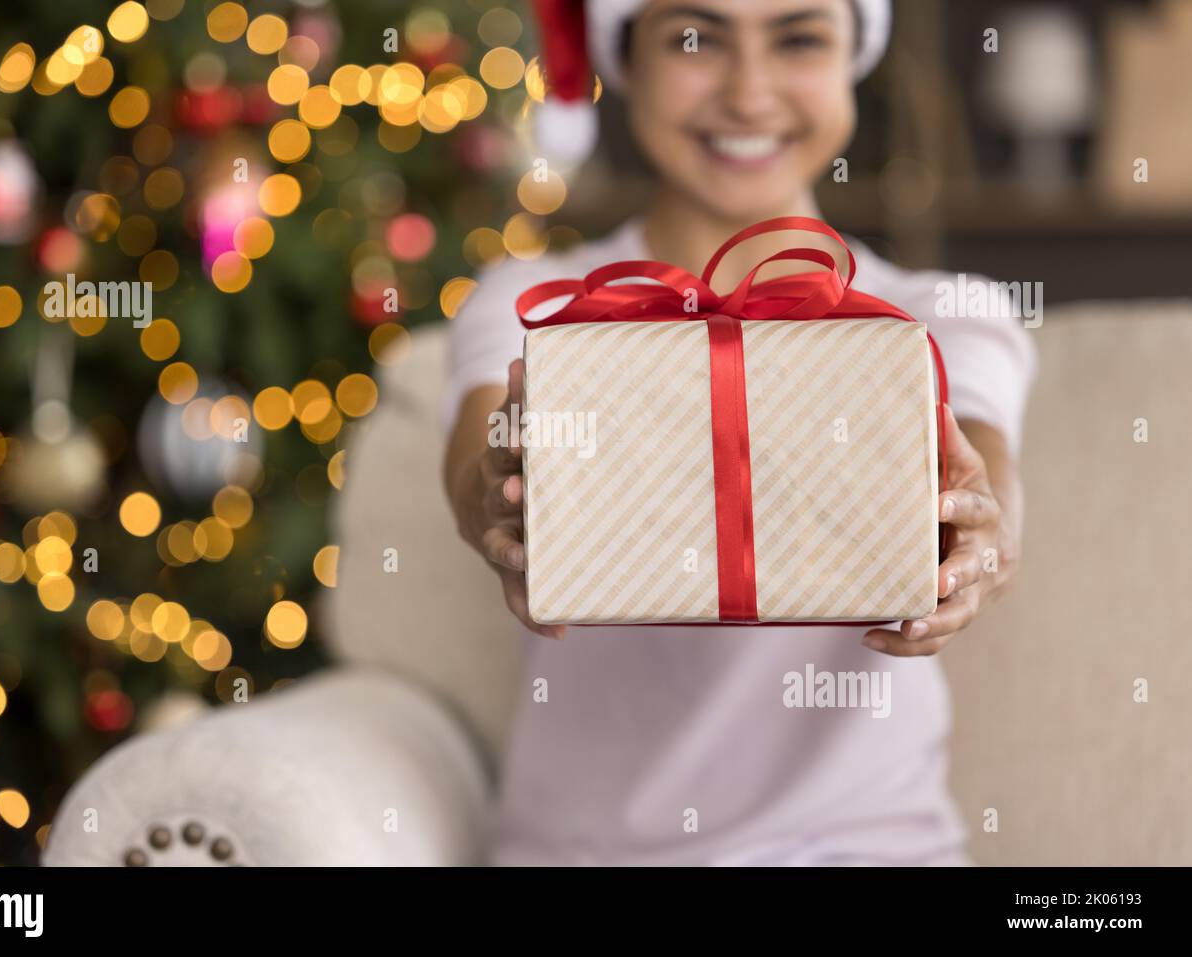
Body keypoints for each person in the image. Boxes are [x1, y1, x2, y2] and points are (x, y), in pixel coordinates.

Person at [442, 0, 1036, 865]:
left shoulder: (941, 315)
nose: (750, 94)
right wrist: (495, 497)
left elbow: (988, 482)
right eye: (695, 39)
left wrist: (979, 536)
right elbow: (474, 468)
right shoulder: (537, 306)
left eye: (799, 38)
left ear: (852, 61)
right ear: (627, 60)